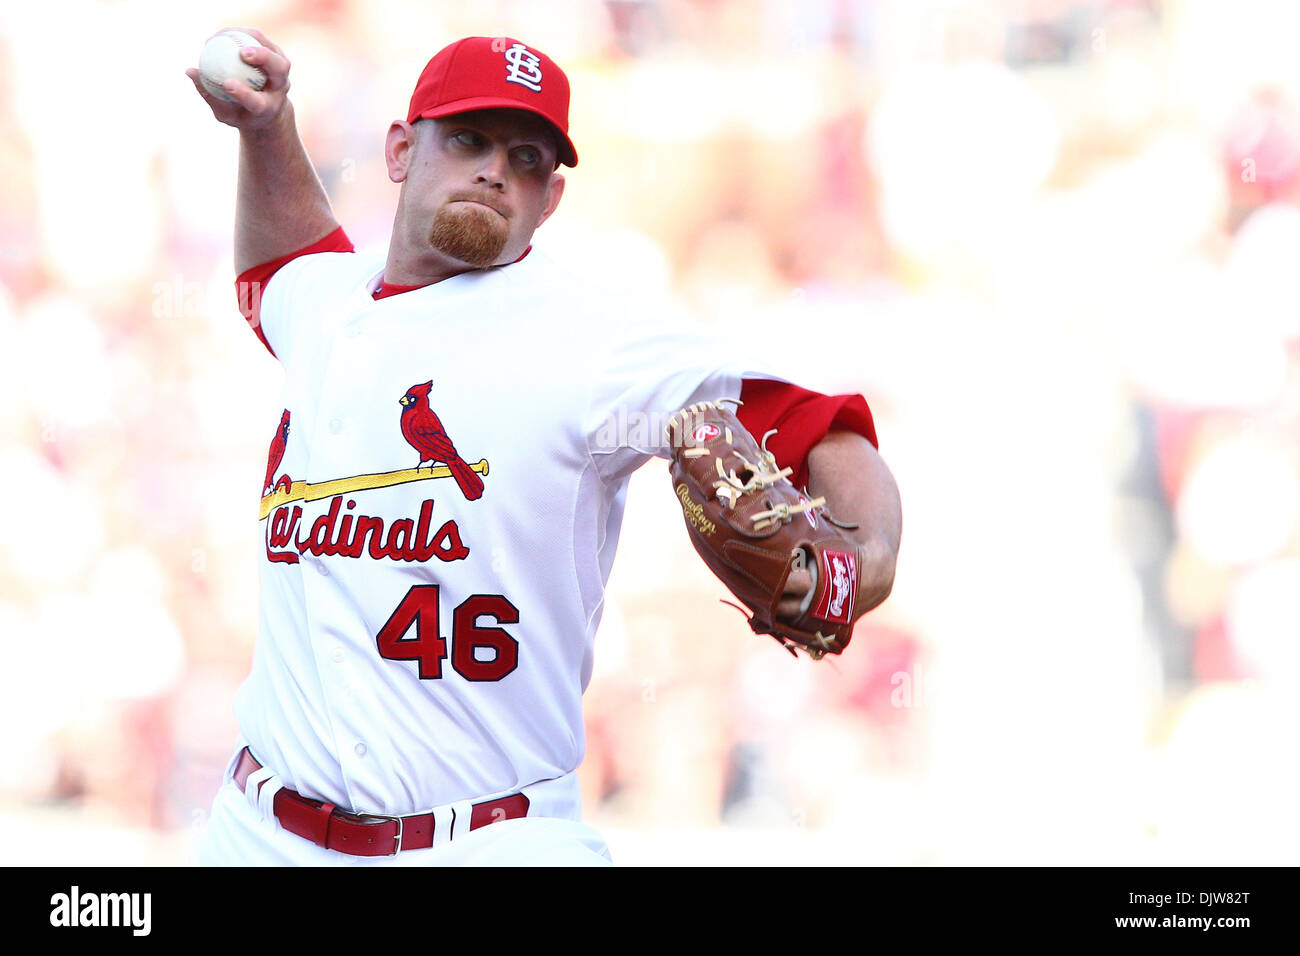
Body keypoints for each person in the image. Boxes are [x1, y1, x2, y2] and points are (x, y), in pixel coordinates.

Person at [186, 30, 901, 866]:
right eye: (467, 140)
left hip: (493, 838)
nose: (495, 170)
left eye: (527, 158)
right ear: (398, 150)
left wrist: (867, 558)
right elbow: (285, 262)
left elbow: (821, 421)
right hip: (262, 831)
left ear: (551, 199)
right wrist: (267, 130)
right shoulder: (322, 300)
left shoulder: (595, 339)